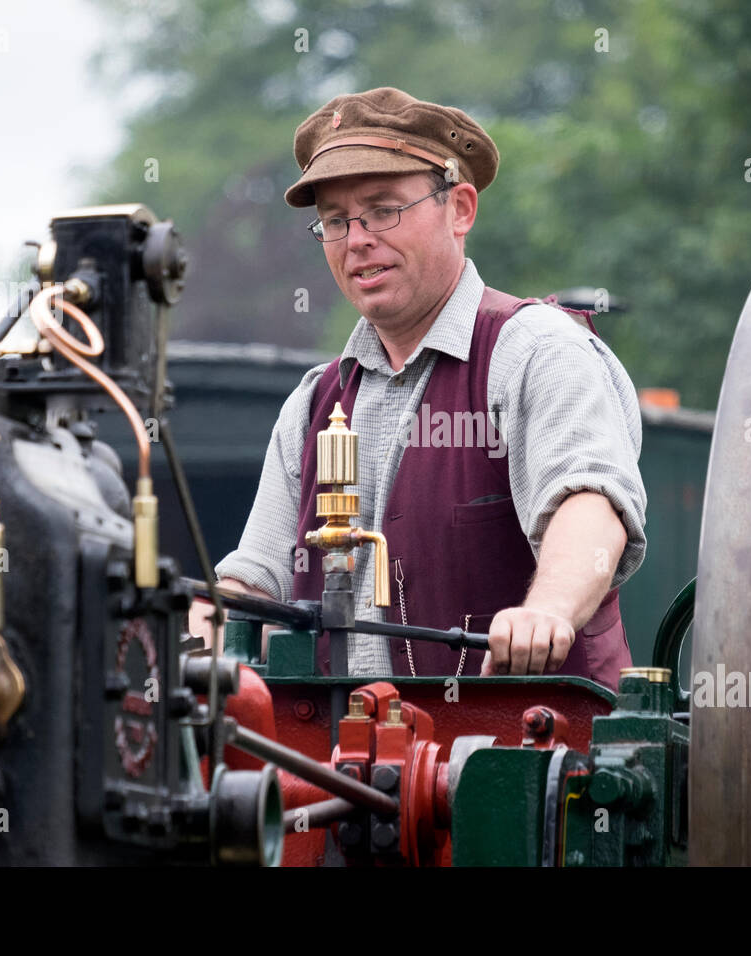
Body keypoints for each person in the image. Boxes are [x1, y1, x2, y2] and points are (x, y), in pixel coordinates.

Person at [189, 86, 646, 691]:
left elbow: (590, 504)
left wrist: (548, 611)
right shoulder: (311, 403)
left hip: (534, 761)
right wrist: (184, 641)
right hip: (343, 773)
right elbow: (255, 588)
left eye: (383, 210)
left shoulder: (536, 351)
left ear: (460, 209)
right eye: (334, 221)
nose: (357, 240)